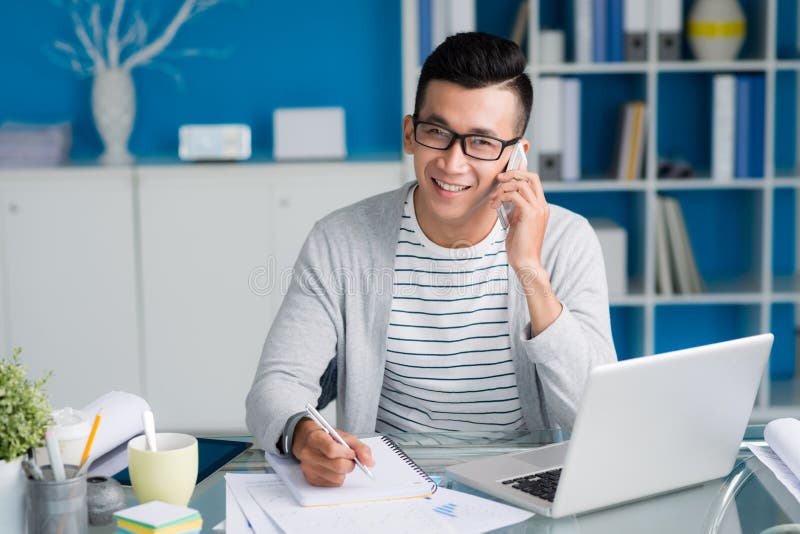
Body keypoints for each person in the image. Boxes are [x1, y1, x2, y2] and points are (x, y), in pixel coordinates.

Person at [246, 32, 616, 487]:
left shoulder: (566, 241)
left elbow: (594, 416)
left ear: (517, 154)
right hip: (388, 484)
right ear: (410, 133)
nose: (452, 163)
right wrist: (303, 435)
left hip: (525, 484)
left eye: (481, 142)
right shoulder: (340, 240)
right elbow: (276, 386)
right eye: (437, 132)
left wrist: (530, 272)